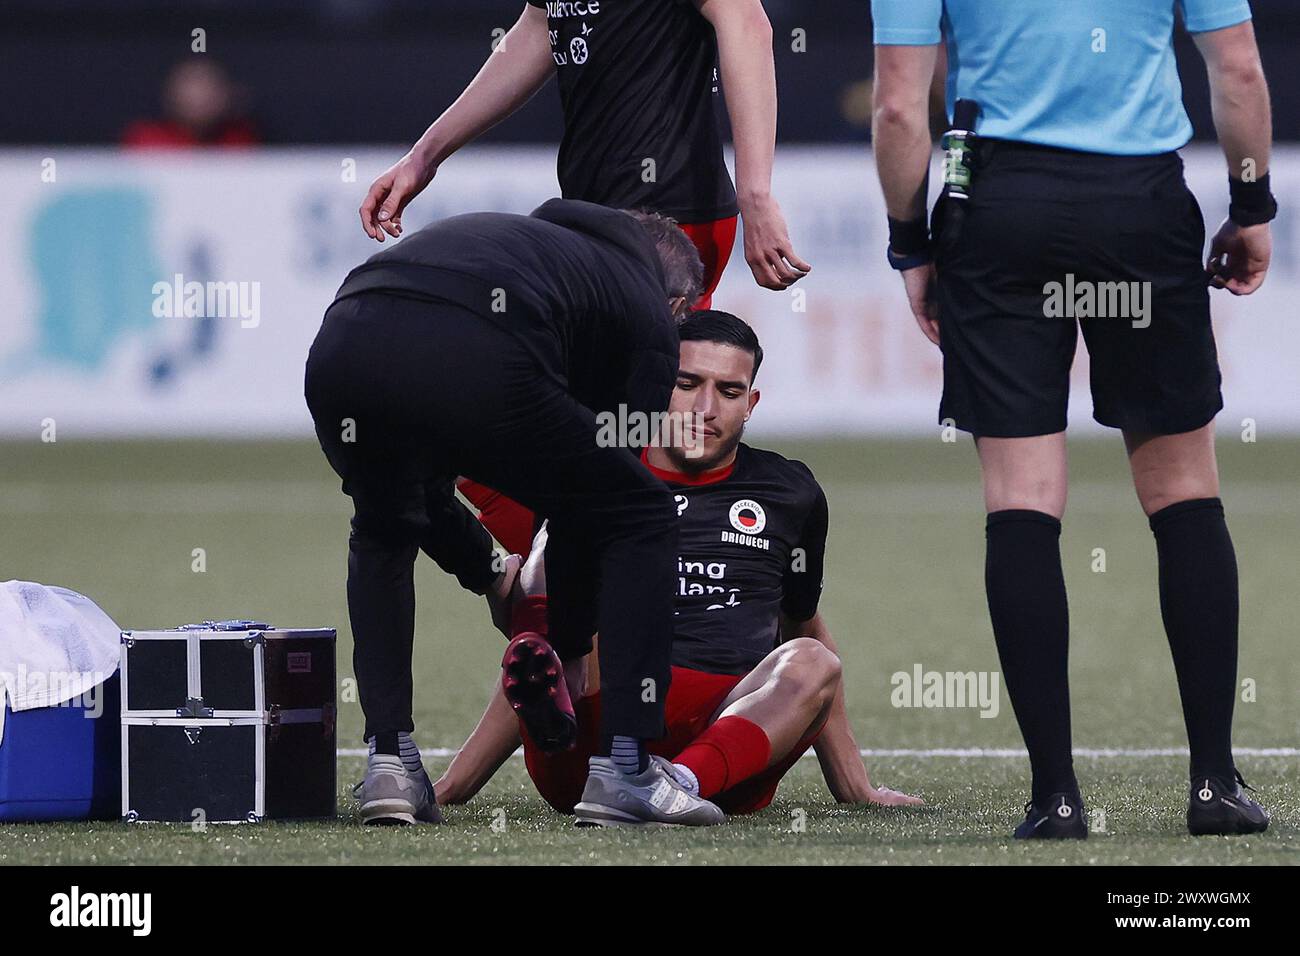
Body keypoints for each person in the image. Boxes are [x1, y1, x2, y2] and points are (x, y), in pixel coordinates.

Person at [871, 0, 1275, 838]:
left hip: (997, 207)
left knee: (1021, 499)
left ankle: (1054, 798)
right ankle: (1214, 787)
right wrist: (1253, 205)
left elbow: (901, 106)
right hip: (1138, 203)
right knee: (1182, 491)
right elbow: (1236, 67)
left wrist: (911, 244)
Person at [305, 198, 720, 826]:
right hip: (473, 347)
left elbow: (426, 497)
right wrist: (573, 645)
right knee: (644, 512)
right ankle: (627, 768)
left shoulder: (529, 244)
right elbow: (595, 509)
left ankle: (389, 764)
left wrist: (492, 573)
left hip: (342, 340)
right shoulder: (644, 309)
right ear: (678, 306)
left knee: (384, 522)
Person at [435, 311, 924, 823]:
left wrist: (854, 784)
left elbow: (802, 623)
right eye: (687, 384)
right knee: (563, 588)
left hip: (729, 750)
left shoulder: (791, 492)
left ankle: (673, 785)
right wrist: (450, 787)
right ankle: (624, 773)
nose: (706, 408)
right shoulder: (600, 472)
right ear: (655, 386)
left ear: (751, 404)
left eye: (730, 392)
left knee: (812, 659)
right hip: (594, 746)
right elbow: (539, 651)